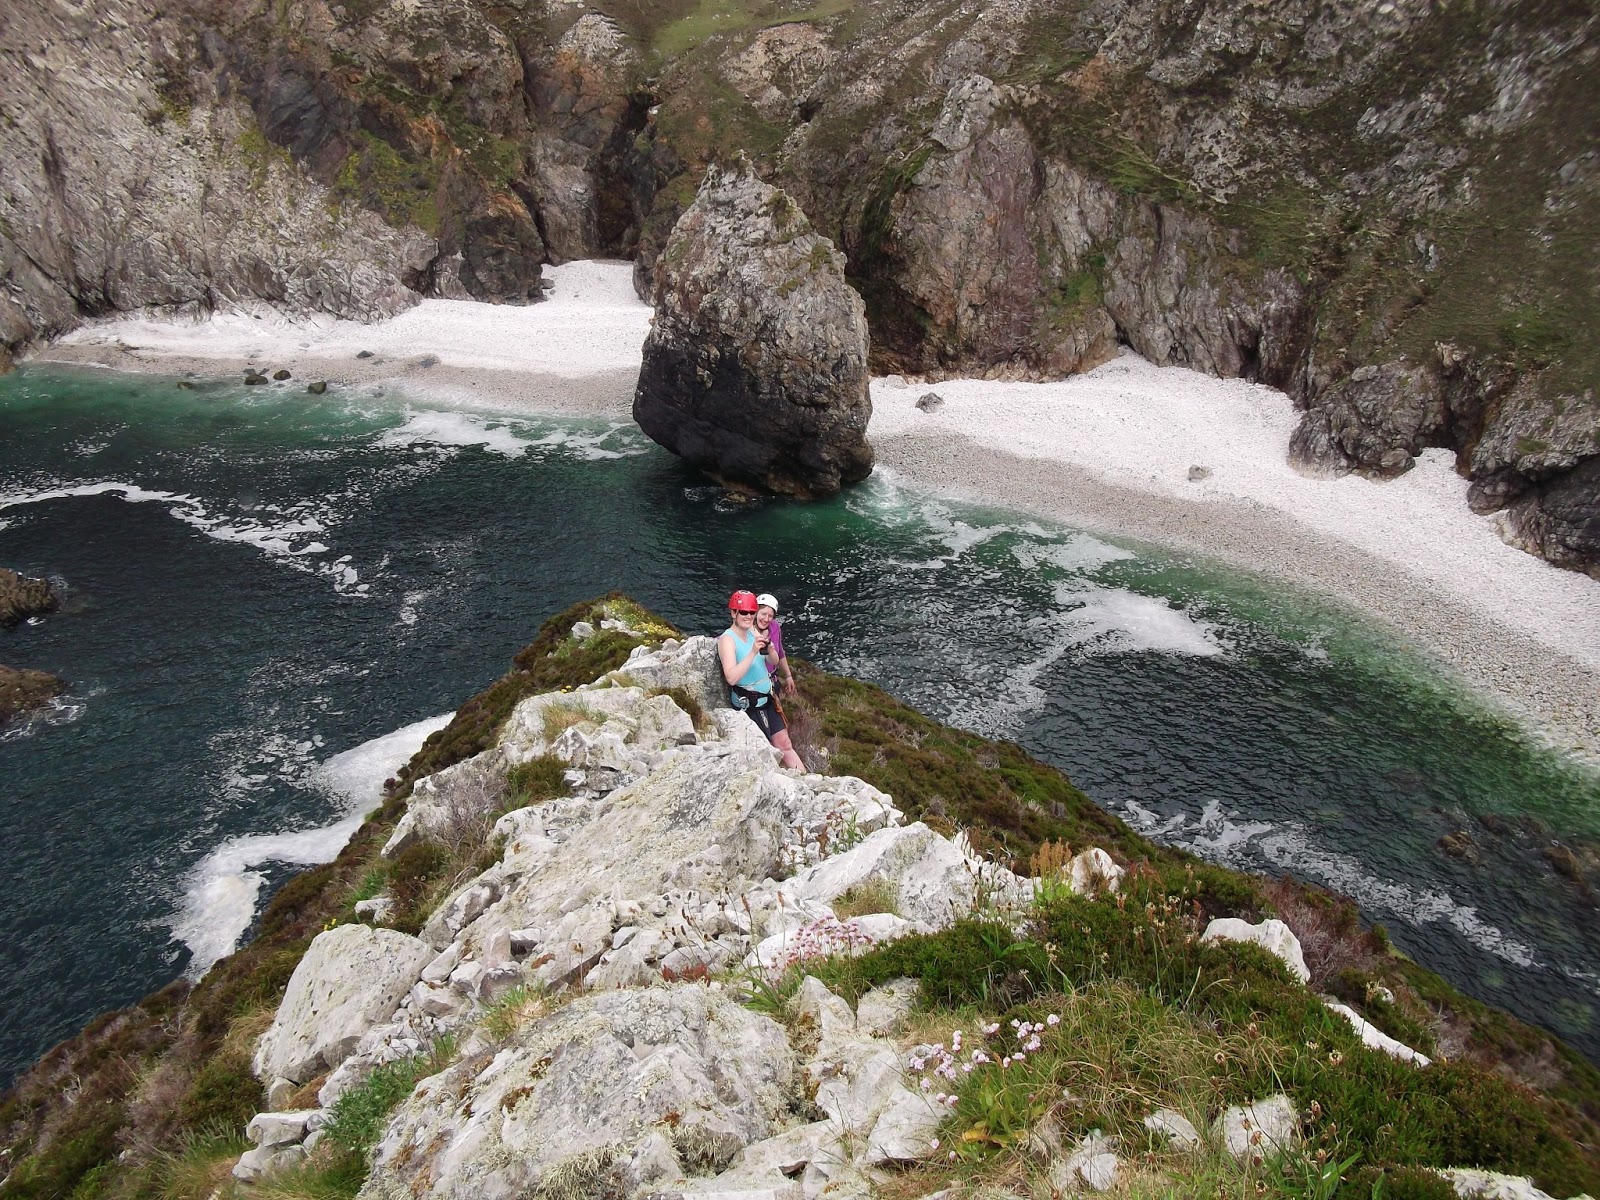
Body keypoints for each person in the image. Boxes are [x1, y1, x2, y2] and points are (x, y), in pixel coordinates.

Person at [718, 590, 803, 769]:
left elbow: (772, 661)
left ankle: (808, 784)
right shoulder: (728, 640)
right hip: (750, 704)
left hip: (768, 698)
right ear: (733, 613)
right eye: (743, 612)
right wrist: (753, 652)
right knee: (766, 753)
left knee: (785, 745)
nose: (748, 616)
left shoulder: (752, 632)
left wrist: (770, 649)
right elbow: (731, 677)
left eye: (751, 612)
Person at [754, 593, 796, 697]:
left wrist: (788, 675)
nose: (766, 619)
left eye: (770, 616)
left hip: (772, 681)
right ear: (755, 612)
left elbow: (780, 652)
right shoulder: (746, 631)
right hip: (754, 687)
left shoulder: (774, 626)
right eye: (763, 614)